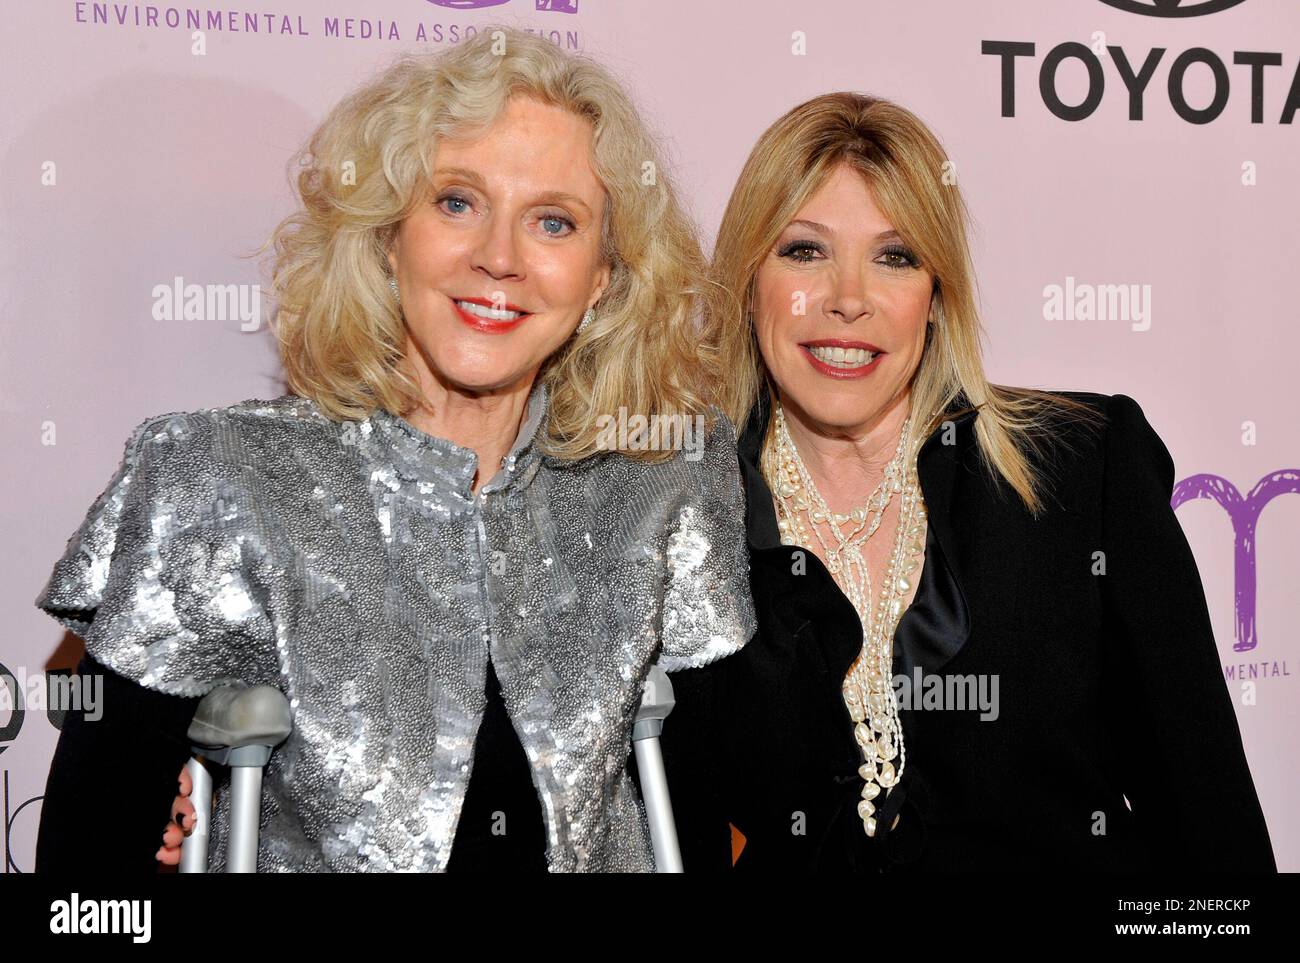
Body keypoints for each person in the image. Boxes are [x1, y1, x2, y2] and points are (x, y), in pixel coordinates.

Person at [34, 27, 755, 873]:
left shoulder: (657, 483)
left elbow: (701, 827)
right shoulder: (218, 479)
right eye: (457, 201)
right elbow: (85, 879)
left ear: (600, 277)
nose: (498, 257)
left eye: (553, 222)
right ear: (388, 234)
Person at [660, 92, 1277, 872]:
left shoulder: (1081, 472)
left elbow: (1213, 838)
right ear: (748, 283)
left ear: (936, 293)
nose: (849, 298)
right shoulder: (683, 521)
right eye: (804, 250)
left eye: (895, 256)